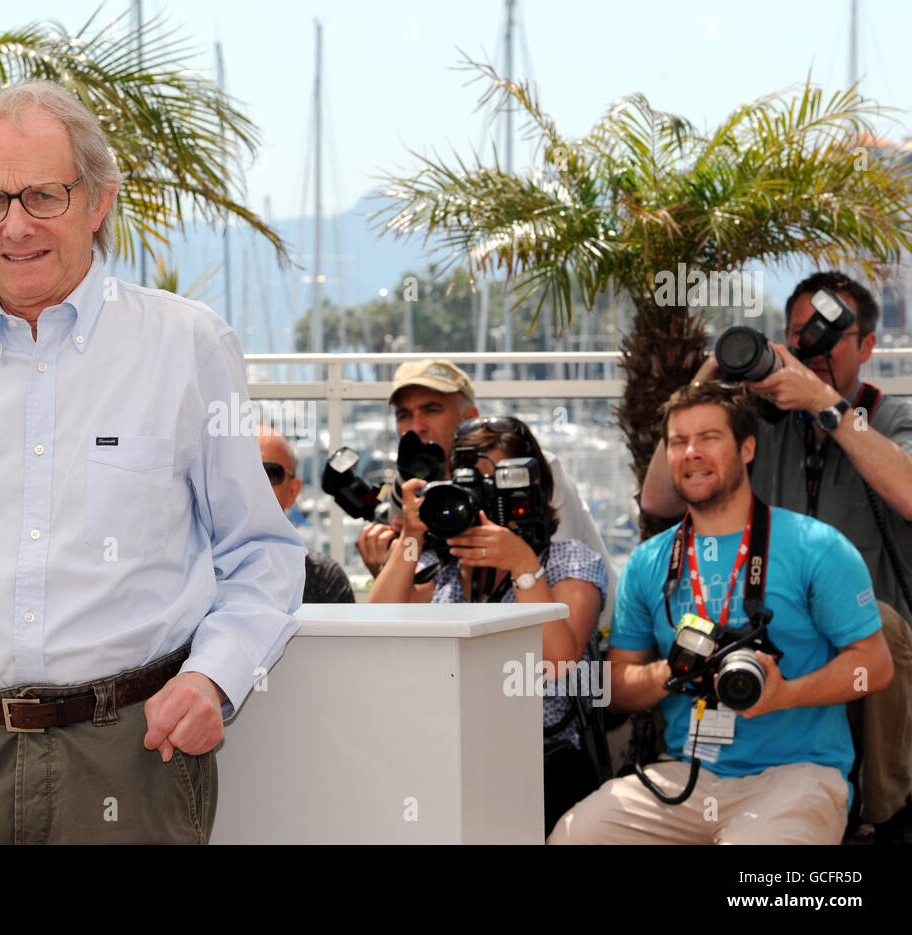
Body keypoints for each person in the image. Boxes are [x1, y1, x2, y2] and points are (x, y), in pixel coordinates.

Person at [0, 80, 305, 845]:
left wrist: (213, 675)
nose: (15, 226)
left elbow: (260, 551)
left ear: (99, 200)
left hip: (132, 758)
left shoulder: (188, 345)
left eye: (43, 195)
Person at [553, 382, 892, 844]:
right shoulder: (650, 561)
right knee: (575, 835)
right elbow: (615, 688)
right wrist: (671, 672)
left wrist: (784, 694)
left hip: (796, 776)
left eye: (709, 437)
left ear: (747, 447)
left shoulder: (817, 546)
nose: (691, 452)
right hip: (684, 776)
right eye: (678, 442)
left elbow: (874, 665)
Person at [640, 271, 912, 843]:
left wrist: (827, 406)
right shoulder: (761, 424)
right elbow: (657, 499)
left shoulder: (888, 419)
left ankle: (883, 814)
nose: (809, 349)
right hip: (775, 625)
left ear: (866, 346)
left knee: (880, 625)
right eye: (796, 336)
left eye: (827, 336)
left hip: (870, 626)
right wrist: (712, 375)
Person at [366, 416, 609, 834]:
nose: (478, 500)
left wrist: (523, 566)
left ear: (534, 490)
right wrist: (413, 534)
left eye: (495, 485)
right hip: (445, 755)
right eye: (468, 485)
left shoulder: (568, 560)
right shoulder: (441, 565)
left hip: (542, 762)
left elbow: (557, 662)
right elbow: (377, 633)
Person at [356, 359, 616, 620]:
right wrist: (396, 557)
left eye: (431, 410)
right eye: (404, 415)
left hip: (570, 623)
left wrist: (519, 560)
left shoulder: (525, 469)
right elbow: (401, 597)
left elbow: (556, 568)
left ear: (470, 418)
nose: (416, 426)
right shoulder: (412, 482)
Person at [258, 426, 355, 604]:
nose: (255, 484)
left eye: (270, 473)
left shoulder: (324, 580)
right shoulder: (198, 568)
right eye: (241, 473)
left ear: (292, 492)